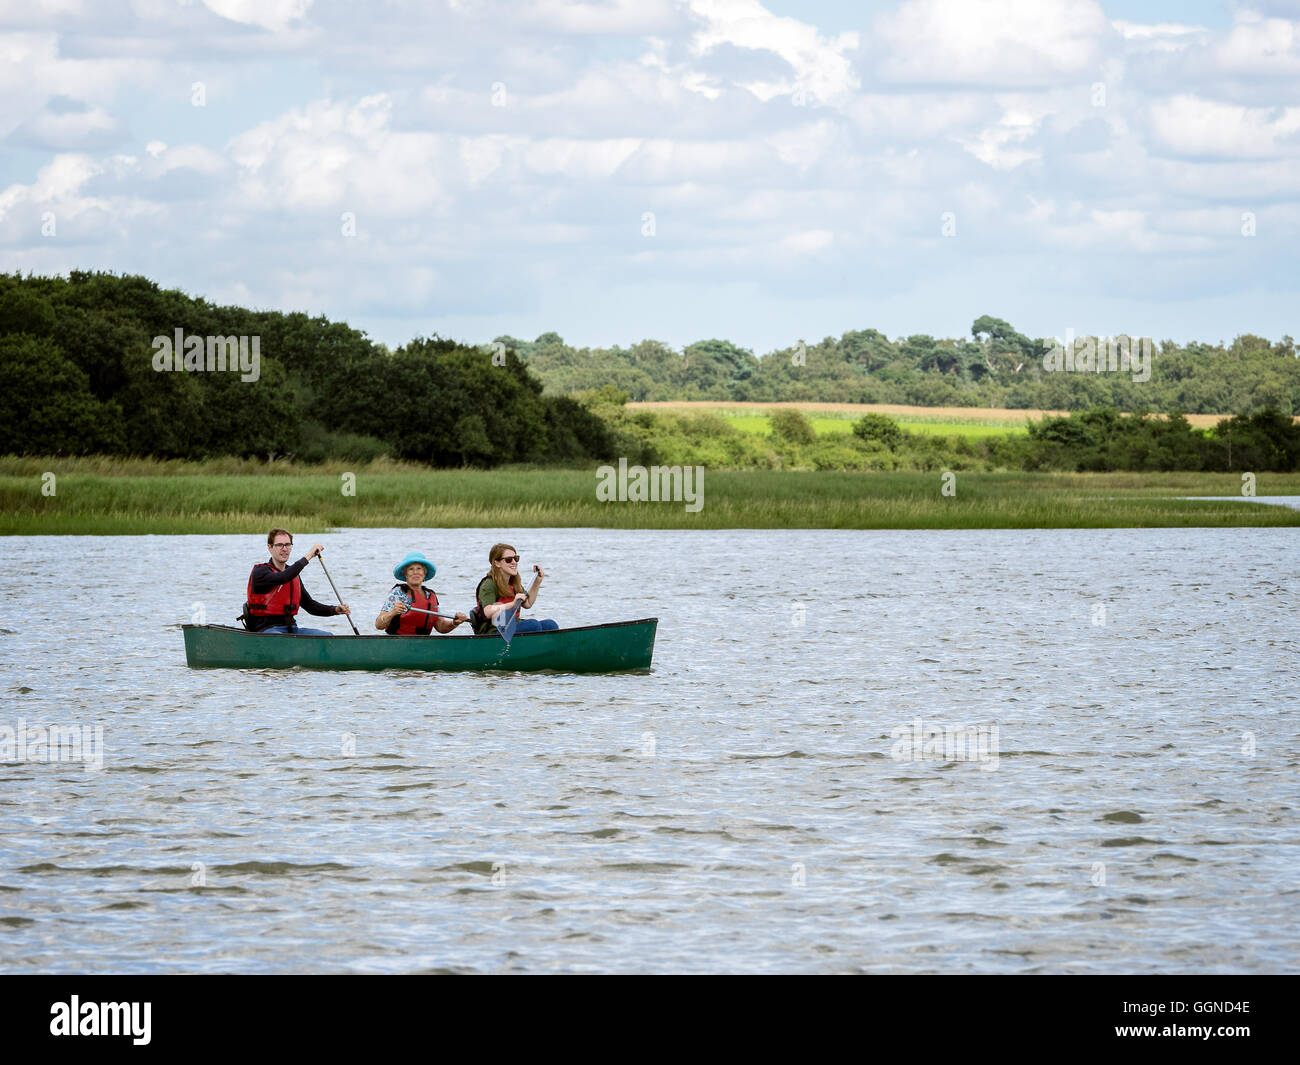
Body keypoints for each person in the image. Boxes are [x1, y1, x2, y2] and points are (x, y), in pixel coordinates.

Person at [243, 529, 352, 635]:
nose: (284, 549)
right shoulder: (260, 572)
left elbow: (310, 605)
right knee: (281, 639)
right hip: (266, 631)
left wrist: (335, 610)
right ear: (270, 547)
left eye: (287, 545)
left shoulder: (294, 575)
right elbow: (282, 577)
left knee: (328, 636)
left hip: (291, 630)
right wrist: (309, 555)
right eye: (280, 545)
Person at [471, 543, 558, 635]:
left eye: (516, 558)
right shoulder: (489, 584)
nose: (514, 562)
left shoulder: (513, 583)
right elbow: (488, 611)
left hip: (513, 625)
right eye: (509, 560)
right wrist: (512, 604)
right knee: (533, 625)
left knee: (550, 625)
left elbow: (528, 604)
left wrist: (537, 581)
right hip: (494, 630)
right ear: (497, 563)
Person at [375, 552, 468, 635]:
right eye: (411, 569)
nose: (415, 572)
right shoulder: (398, 592)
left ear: (424, 573)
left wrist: (454, 623)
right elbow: (378, 625)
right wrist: (392, 612)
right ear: (405, 574)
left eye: (419, 569)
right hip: (397, 642)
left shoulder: (431, 595)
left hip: (422, 645)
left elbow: (441, 627)